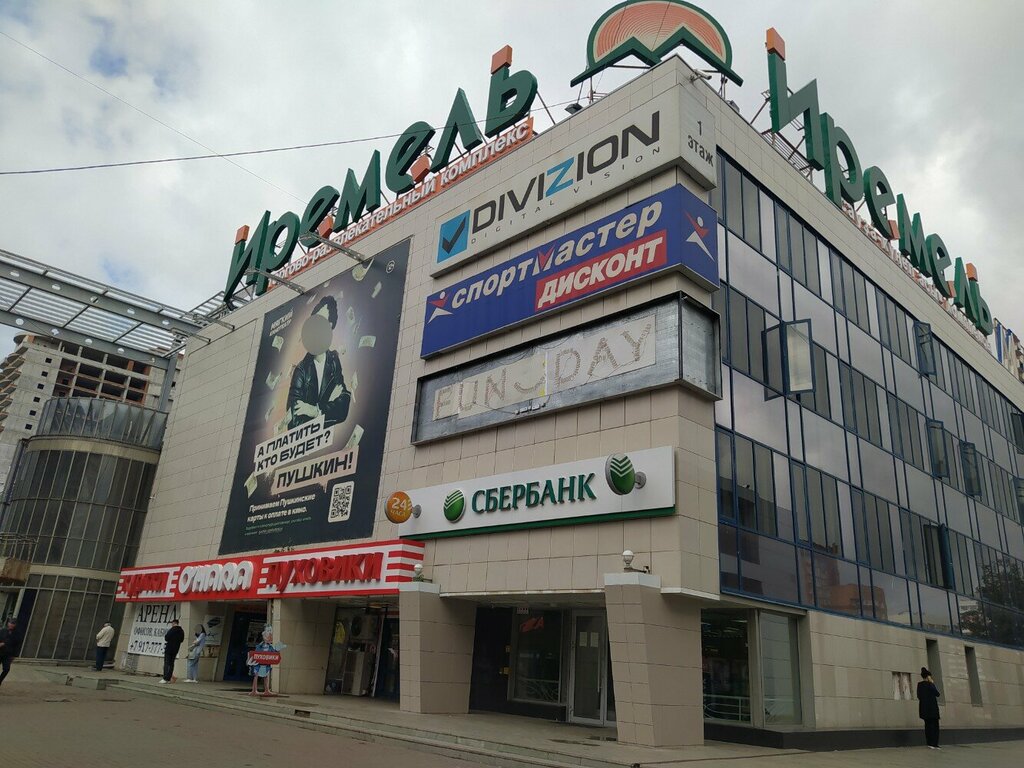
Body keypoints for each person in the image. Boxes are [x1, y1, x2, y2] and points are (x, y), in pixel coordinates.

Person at [287, 295, 351, 430]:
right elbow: (294, 423)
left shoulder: (333, 361)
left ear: (330, 326)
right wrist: (329, 403)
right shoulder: (301, 370)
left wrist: (315, 410)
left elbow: (344, 405)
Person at [917, 667, 941, 749]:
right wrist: (932, 683)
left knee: (927, 726)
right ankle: (934, 743)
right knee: (935, 726)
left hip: (924, 709)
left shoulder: (919, 685)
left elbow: (919, 696)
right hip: (932, 709)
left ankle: (929, 743)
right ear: (928, 676)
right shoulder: (930, 684)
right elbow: (937, 694)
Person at [160, 618, 185, 684]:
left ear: (173, 623)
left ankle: (165, 678)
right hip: (176, 649)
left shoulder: (172, 629)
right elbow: (182, 640)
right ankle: (168, 678)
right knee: (171, 664)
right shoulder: (181, 631)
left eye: (172, 623)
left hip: (169, 648)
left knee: (166, 663)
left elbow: (166, 638)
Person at [0, 617, 22, 689]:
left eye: (13, 623)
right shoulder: (2, 631)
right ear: (8, 623)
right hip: (0, 652)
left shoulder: (17, 634)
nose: (11, 625)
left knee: (6, 669)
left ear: (15, 625)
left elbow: (17, 646)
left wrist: (14, 656)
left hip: (8, 655)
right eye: (10, 623)